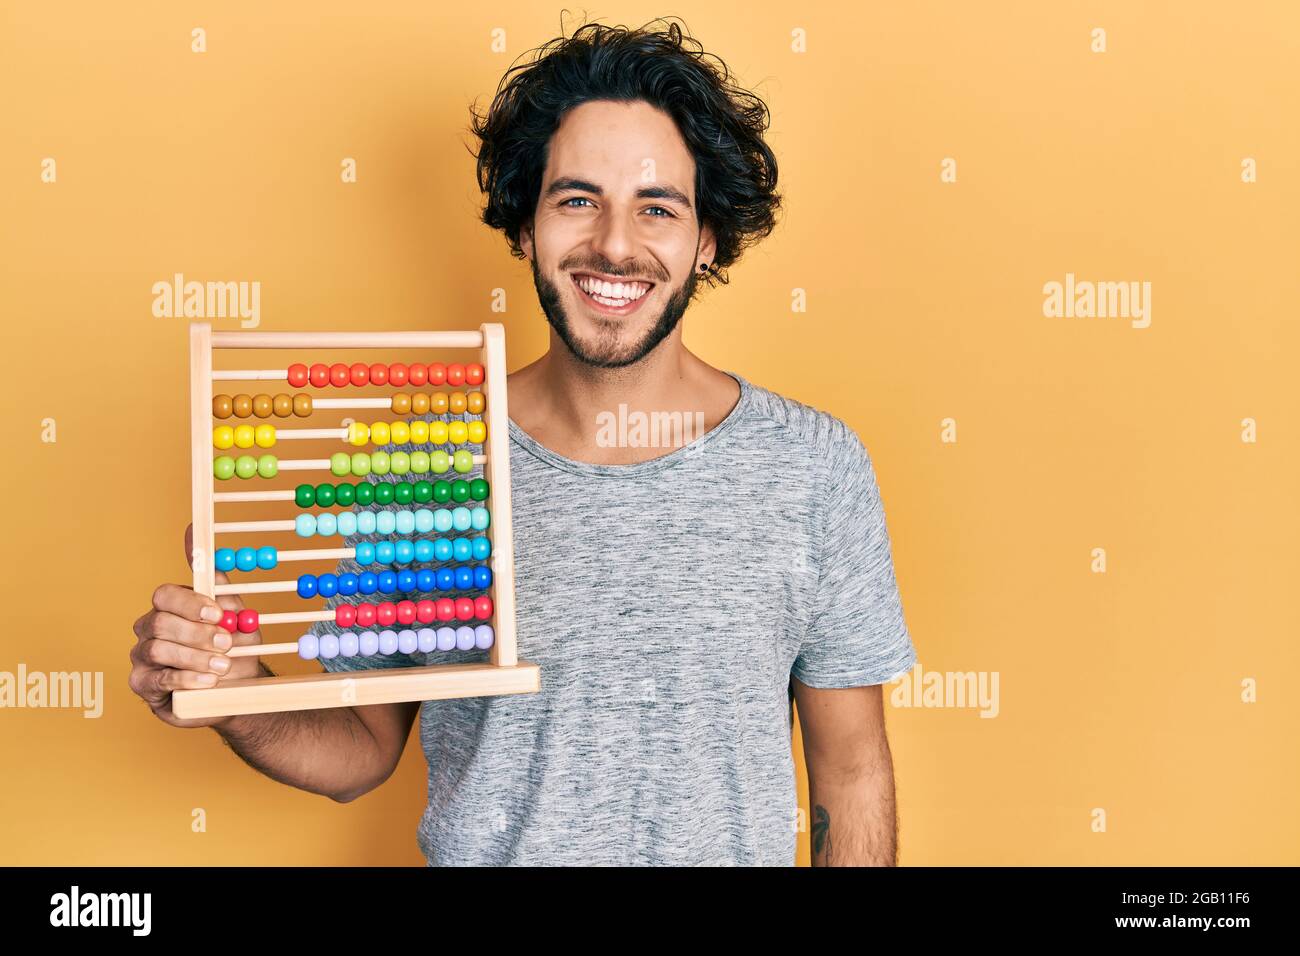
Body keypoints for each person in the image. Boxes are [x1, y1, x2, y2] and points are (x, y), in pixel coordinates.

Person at [130, 18, 917, 866]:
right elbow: (361, 751)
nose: (615, 244)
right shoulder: (434, 467)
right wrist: (236, 693)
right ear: (523, 225)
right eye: (577, 199)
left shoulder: (814, 469)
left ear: (706, 243)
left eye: (658, 208)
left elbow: (853, 774)